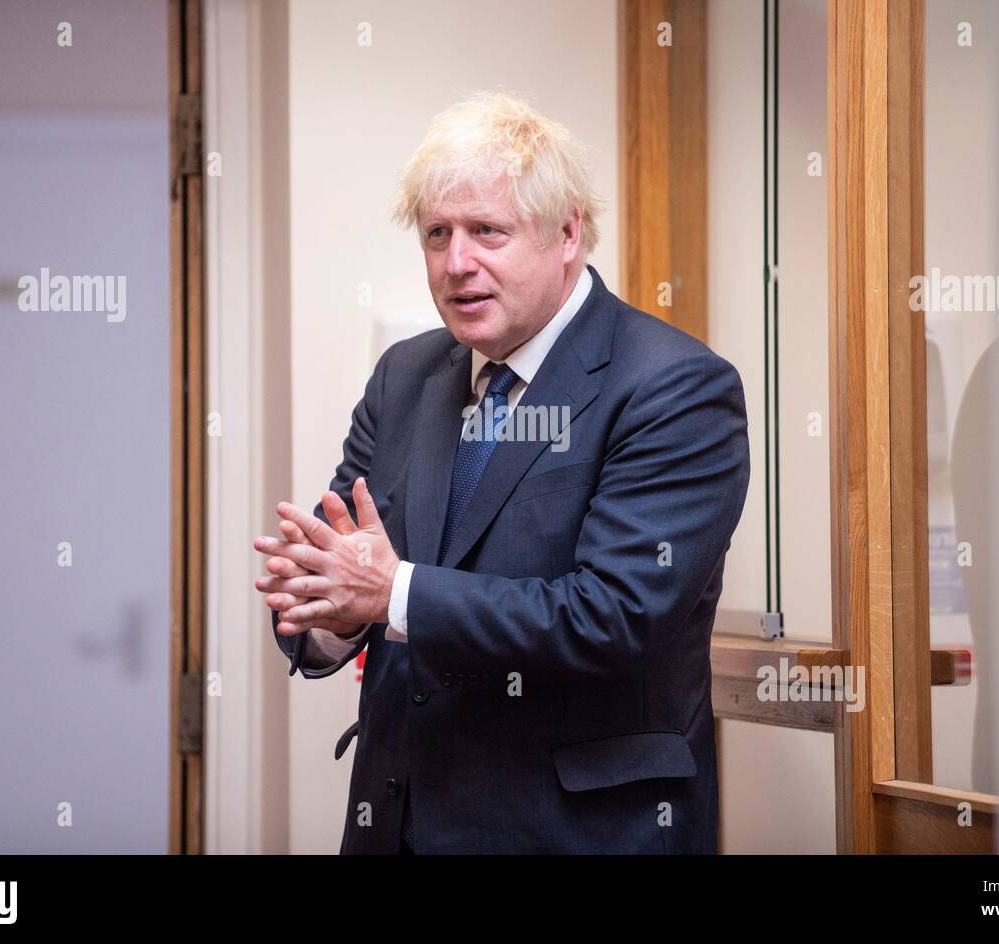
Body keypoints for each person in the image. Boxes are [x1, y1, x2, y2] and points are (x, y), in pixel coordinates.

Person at [253, 90, 750, 854]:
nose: (457, 263)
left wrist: (392, 592)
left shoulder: (673, 387)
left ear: (567, 233)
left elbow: (613, 618)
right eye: (437, 234)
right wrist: (331, 607)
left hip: (577, 832)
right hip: (398, 822)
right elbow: (348, 564)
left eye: (488, 231)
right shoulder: (405, 375)